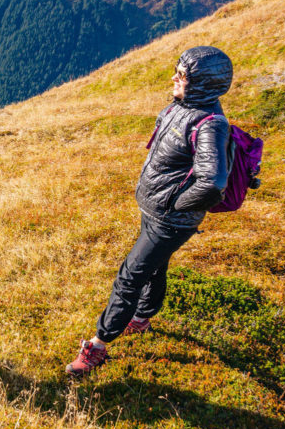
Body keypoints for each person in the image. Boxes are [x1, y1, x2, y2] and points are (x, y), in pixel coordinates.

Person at [66, 46, 232, 377]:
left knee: (131, 274)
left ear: (202, 84)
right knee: (154, 267)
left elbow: (213, 184)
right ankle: (142, 318)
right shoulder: (183, 106)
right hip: (157, 210)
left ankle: (98, 345)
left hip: (170, 220)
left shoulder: (210, 124)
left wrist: (175, 205)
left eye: (182, 76)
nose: (174, 78)